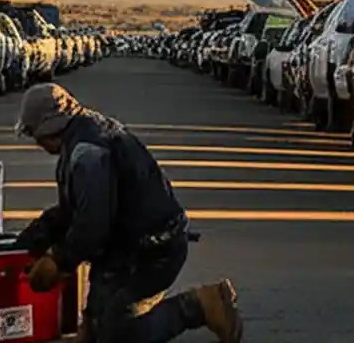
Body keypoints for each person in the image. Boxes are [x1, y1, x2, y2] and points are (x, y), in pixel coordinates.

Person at [13, 83, 243, 343]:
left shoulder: (88, 153)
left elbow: (93, 226)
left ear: (47, 128)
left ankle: (200, 306)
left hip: (154, 251)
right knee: (101, 321)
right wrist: (30, 239)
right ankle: (94, 329)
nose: (36, 143)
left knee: (120, 336)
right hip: (127, 247)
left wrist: (59, 260)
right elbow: (74, 210)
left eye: (34, 134)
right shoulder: (83, 134)